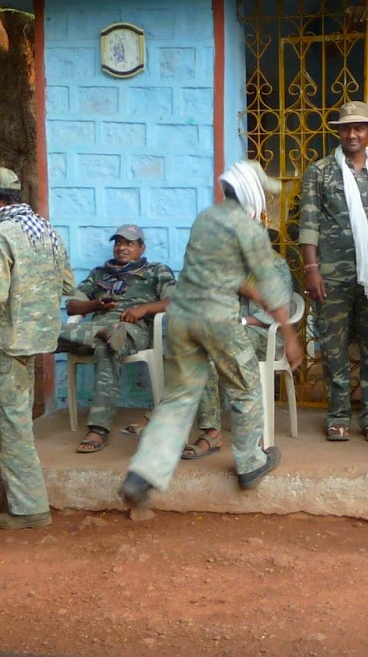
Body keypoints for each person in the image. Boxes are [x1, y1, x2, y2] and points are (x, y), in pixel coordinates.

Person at [120, 161, 303, 509]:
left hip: (181, 318)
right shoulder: (249, 230)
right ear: (252, 193)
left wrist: (253, 293)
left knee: (179, 397)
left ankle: (142, 474)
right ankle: (250, 463)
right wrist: (291, 338)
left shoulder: (205, 219)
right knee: (247, 389)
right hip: (218, 320)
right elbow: (273, 288)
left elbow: (223, 274)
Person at [0, 167, 75, 532]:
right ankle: (27, 499)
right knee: (19, 416)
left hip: (10, 339)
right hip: (41, 337)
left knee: (12, 422)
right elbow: (68, 284)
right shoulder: (47, 230)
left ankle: (29, 507)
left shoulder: (1, 233)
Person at [297, 100, 368, 442]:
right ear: (339, 133)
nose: (352, 134)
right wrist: (312, 268)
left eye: (359, 128)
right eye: (347, 128)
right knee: (334, 347)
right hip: (332, 274)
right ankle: (337, 415)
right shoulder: (320, 171)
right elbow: (309, 222)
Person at [57, 225, 176, 454]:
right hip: (98, 327)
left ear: (141, 248)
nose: (122, 248)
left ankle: (98, 430)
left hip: (133, 329)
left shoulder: (156, 271)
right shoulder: (100, 274)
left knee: (108, 346)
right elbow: (72, 306)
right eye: (118, 242)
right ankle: (93, 334)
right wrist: (95, 305)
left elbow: (174, 301)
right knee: (103, 340)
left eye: (129, 243)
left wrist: (143, 309)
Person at [188, 253, 296, 460]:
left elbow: (277, 310)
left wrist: (241, 321)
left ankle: (249, 446)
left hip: (263, 333)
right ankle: (211, 431)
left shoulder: (275, 264)